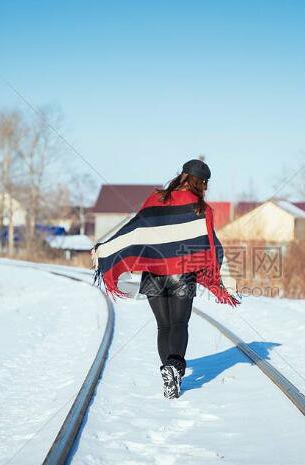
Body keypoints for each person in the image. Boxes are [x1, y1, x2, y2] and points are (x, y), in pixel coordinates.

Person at [92, 159, 239, 399]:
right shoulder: (200, 208)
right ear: (200, 182)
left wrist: (105, 249)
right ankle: (175, 369)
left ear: (181, 176)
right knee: (180, 324)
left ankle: (168, 375)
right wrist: (222, 280)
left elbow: (134, 229)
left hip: (153, 275)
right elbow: (212, 246)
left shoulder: (154, 200)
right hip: (182, 274)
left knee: (164, 326)